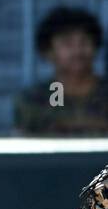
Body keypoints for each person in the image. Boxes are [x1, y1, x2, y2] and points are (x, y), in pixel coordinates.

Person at [14, 7, 108, 136]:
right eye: (67, 44)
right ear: (48, 51)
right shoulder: (34, 100)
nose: (77, 51)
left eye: (84, 42)